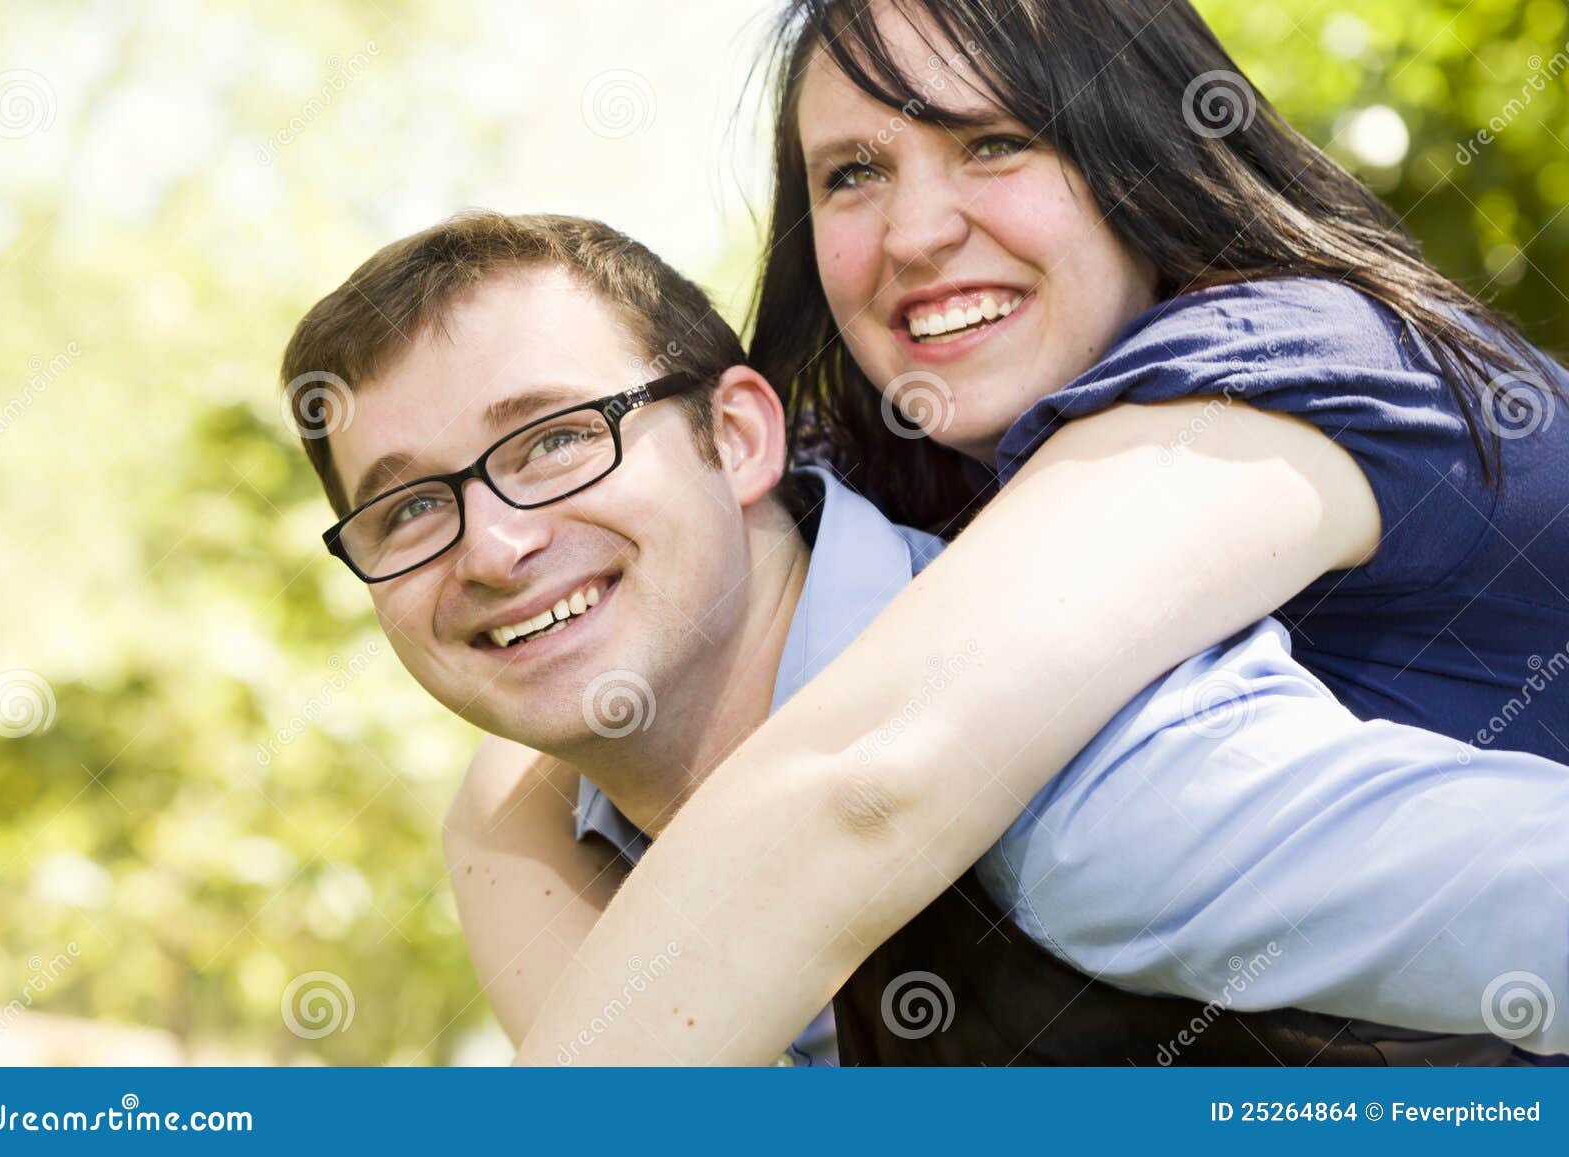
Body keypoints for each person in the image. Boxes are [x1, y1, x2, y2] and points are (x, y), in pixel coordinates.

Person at [513, 0, 1569, 1064]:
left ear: (1143, 145)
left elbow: (870, 779)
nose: (915, 234)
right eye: (853, 173)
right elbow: (521, 768)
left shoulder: (1277, 367)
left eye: (994, 142)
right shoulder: (921, 466)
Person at [281, 211, 1567, 1065]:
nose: (492, 545)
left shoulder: (1073, 765)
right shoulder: (561, 843)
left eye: (556, 439)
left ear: (738, 437)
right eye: (407, 508)